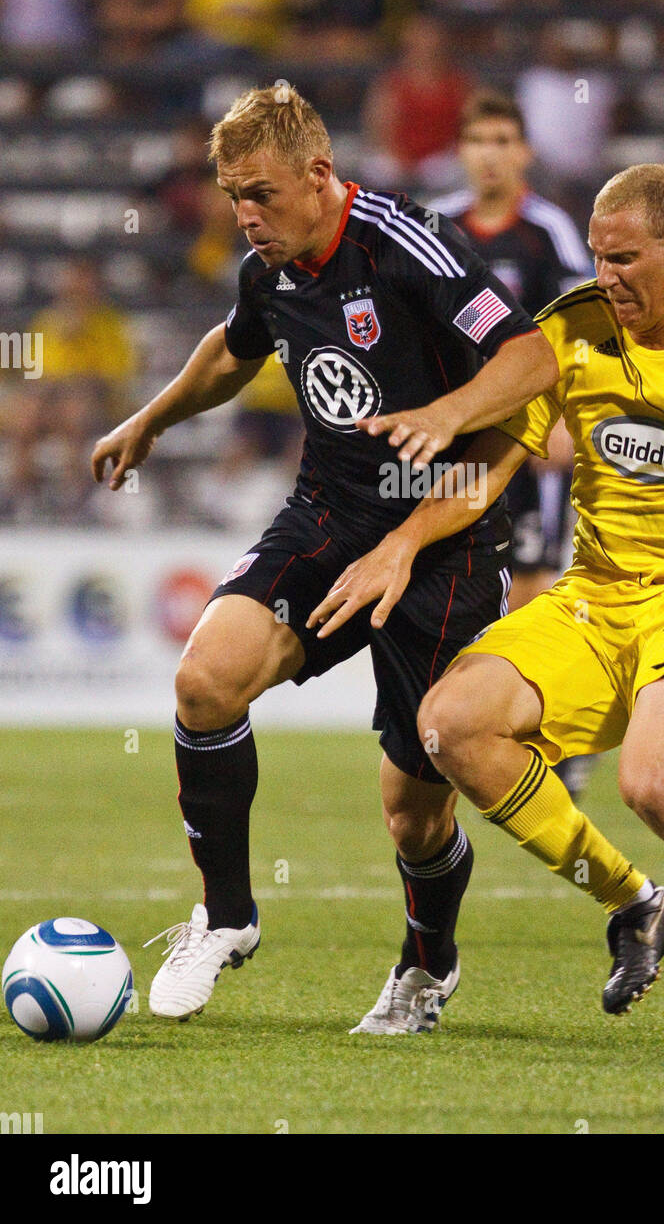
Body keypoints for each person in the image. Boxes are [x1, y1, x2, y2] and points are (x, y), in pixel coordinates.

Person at [310, 163, 664, 1048]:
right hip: (595, 599)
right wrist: (401, 543)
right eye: (598, 257)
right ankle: (635, 903)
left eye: (625, 258)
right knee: (450, 724)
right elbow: (495, 462)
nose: (605, 276)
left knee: (652, 781)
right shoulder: (572, 330)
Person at [91, 82, 558, 1034]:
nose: (245, 215)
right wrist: (151, 419)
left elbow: (531, 359)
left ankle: (428, 966)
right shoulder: (270, 265)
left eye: (260, 193)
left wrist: (444, 414)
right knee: (205, 684)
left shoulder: (404, 244)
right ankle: (225, 920)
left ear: (319, 174)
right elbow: (234, 349)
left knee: (413, 811)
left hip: (443, 538)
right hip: (329, 514)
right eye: (232, 197)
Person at [434, 88, 597, 797]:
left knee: (535, 587)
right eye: (479, 140)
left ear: (524, 151)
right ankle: (457, 729)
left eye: (504, 140)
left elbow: (582, 328)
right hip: (455, 437)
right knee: (457, 583)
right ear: (462, 150)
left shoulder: (548, 231)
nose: (491, 154)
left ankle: (554, 735)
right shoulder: (438, 226)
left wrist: (565, 420)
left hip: (526, 441)